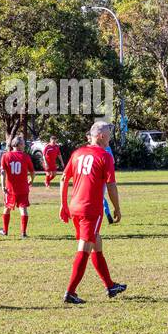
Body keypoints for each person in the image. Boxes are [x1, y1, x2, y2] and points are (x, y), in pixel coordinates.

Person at [60, 121, 127, 304]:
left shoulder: (77, 153)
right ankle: (70, 292)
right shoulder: (105, 157)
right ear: (101, 136)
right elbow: (111, 185)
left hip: (76, 207)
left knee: (97, 242)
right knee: (85, 247)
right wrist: (117, 208)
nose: (110, 138)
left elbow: (64, 179)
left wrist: (63, 205)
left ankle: (110, 285)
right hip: (91, 209)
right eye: (109, 134)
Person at [0, 135, 35, 237]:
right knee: (23, 209)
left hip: (10, 188)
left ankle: (5, 231)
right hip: (23, 188)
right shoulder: (26, 156)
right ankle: (23, 233)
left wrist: (3, 186)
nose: (24, 145)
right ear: (18, 145)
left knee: (7, 208)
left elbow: (2, 173)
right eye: (23, 143)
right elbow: (32, 172)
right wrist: (31, 180)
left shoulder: (6, 156)